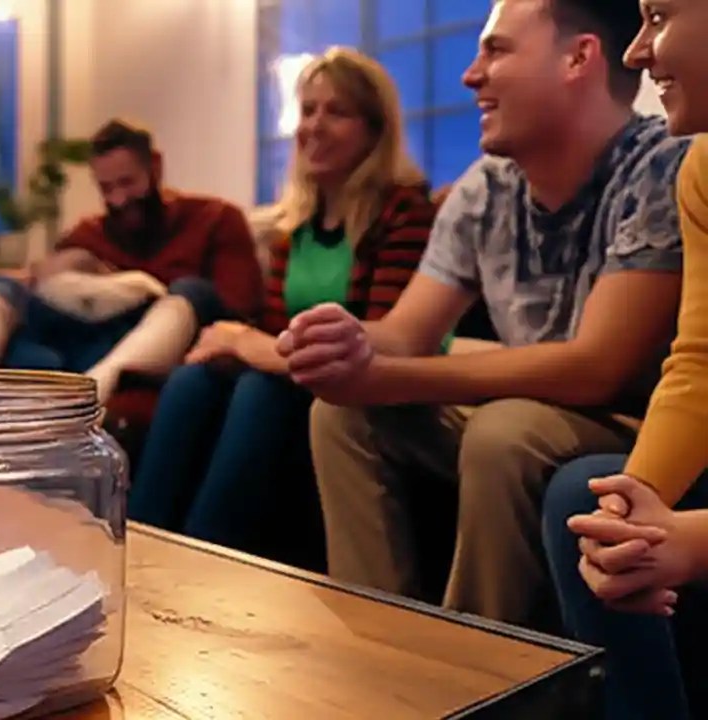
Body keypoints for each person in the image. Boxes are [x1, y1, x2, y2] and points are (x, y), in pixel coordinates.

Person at [275, 0, 690, 630]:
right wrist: (346, 339)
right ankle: (374, 647)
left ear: (578, 58)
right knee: (342, 412)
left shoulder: (661, 165)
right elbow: (406, 333)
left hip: (632, 420)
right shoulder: (485, 187)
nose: (471, 76)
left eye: (496, 51)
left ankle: (475, 676)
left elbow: (597, 369)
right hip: (528, 406)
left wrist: (385, 374)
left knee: (506, 434)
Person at [126, 48, 435, 560]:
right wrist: (238, 345)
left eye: (335, 112)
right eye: (308, 110)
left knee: (259, 391)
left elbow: (378, 349)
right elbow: (274, 329)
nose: (313, 126)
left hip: (365, 397)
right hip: (299, 380)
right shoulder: (296, 227)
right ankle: (136, 549)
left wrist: (243, 341)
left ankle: (203, 564)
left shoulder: (404, 214)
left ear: (374, 131)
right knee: (194, 380)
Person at [542, 1, 708, 716]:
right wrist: (634, 520)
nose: (637, 52)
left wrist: (693, 543)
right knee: (591, 501)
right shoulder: (702, 169)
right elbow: (699, 361)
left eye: (659, 15)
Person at [0, 119, 263, 402]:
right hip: (80, 341)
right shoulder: (89, 234)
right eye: (106, 189)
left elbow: (237, 309)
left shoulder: (215, 219)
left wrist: (149, 290)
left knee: (190, 290)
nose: (118, 199)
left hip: (157, 344)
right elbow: (45, 285)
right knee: (8, 294)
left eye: (127, 183)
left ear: (156, 167)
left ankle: (95, 389)